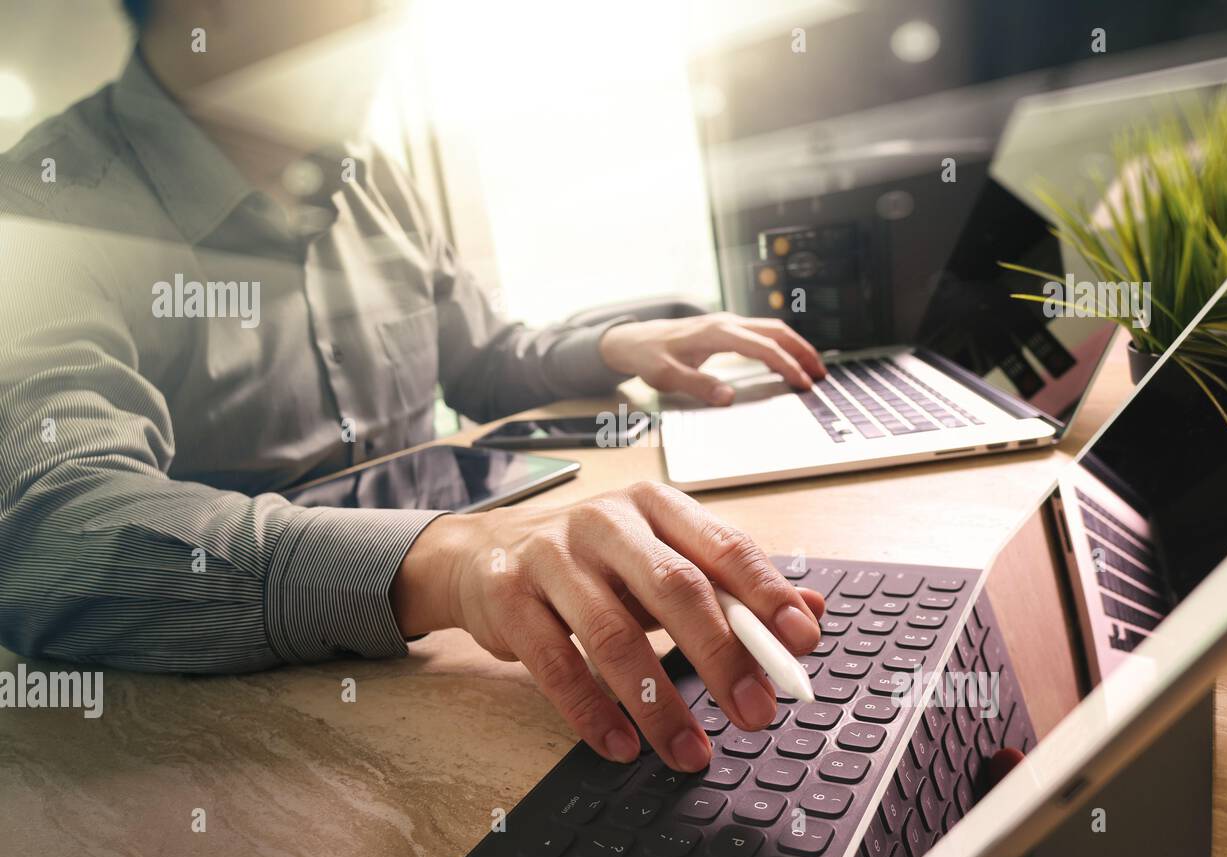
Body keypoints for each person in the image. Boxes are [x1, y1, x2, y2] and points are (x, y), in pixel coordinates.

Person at [0, 0, 830, 775]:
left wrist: (612, 346)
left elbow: (484, 357)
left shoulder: (369, 176)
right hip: (239, 750)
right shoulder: (36, 211)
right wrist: (452, 563)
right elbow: (50, 532)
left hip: (450, 668)